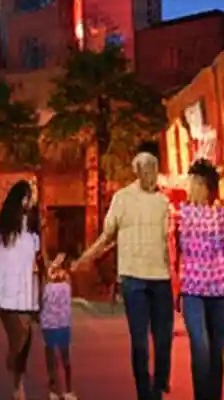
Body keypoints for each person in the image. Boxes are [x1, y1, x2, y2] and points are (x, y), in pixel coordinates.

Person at [73, 151, 173, 400]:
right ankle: (144, 391)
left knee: (163, 336)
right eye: (146, 168)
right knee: (139, 337)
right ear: (137, 171)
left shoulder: (163, 202)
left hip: (161, 277)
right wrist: (86, 257)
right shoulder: (122, 199)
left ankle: (159, 382)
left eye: (153, 168)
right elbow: (107, 237)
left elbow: (168, 240)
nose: (150, 173)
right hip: (133, 278)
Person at [173, 159, 224, 400]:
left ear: (204, 185)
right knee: (201, 346)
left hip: (220, 289)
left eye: (193, 182)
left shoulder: (223, 213)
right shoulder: (180, 215)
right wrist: (174, 289)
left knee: (217, 349)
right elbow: (172, 251)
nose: (189, 186)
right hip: (192, 290)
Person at [0, 180, 43, 400]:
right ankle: (15, 377)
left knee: (26, 339)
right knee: (18, 338)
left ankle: (17, 382)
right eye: (29, 195)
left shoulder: (33, 235)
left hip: (27, 295)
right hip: (5, 294)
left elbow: (37, 266)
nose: (32, 200)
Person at [40, 253, 76, 400]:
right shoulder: (46, 283)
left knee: (65, 359)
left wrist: (57, 266)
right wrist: (52, 265)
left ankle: (68, 390)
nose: (57, 272)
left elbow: (67, 276)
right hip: (49, 323)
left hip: (63, 323)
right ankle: (53, 389)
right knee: (51, 358)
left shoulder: (66, 282)